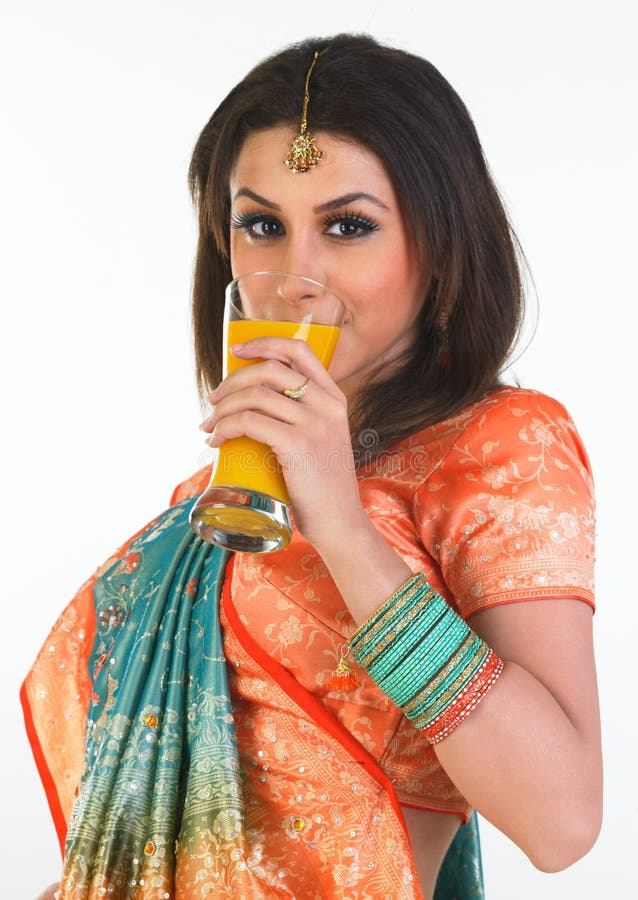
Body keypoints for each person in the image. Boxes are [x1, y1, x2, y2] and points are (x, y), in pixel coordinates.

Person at [25, 33, 602, 900]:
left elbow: (562, 822)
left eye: (348, 226)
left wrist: (341, 524)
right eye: (262, 225)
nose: (296, 275)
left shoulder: (500, 447)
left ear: (438, 249)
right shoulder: (218, 496)